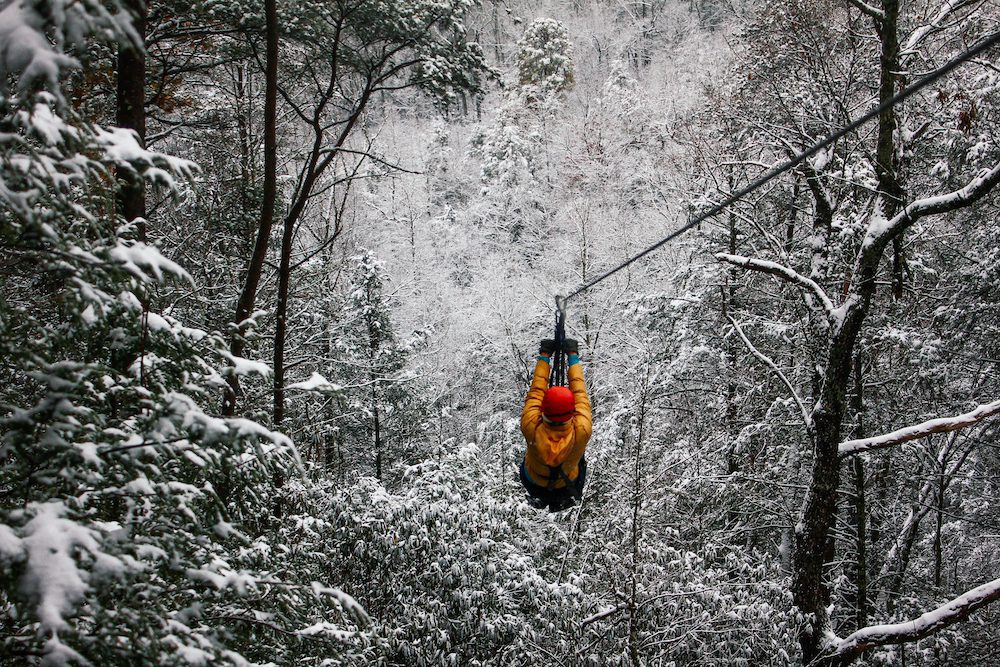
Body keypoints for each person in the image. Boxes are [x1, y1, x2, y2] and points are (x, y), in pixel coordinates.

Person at [519, 337, 592, 511]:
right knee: (580, 459)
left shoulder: (530, 425)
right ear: (572, 410)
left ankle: (541, 498)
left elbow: (537, 390)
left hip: (533, 482)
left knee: (530, 459)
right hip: (567, 484)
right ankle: (561, 500)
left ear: (544, 408)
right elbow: (579, 390)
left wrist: (545, 356)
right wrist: (572, 356)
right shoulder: (581, 429)